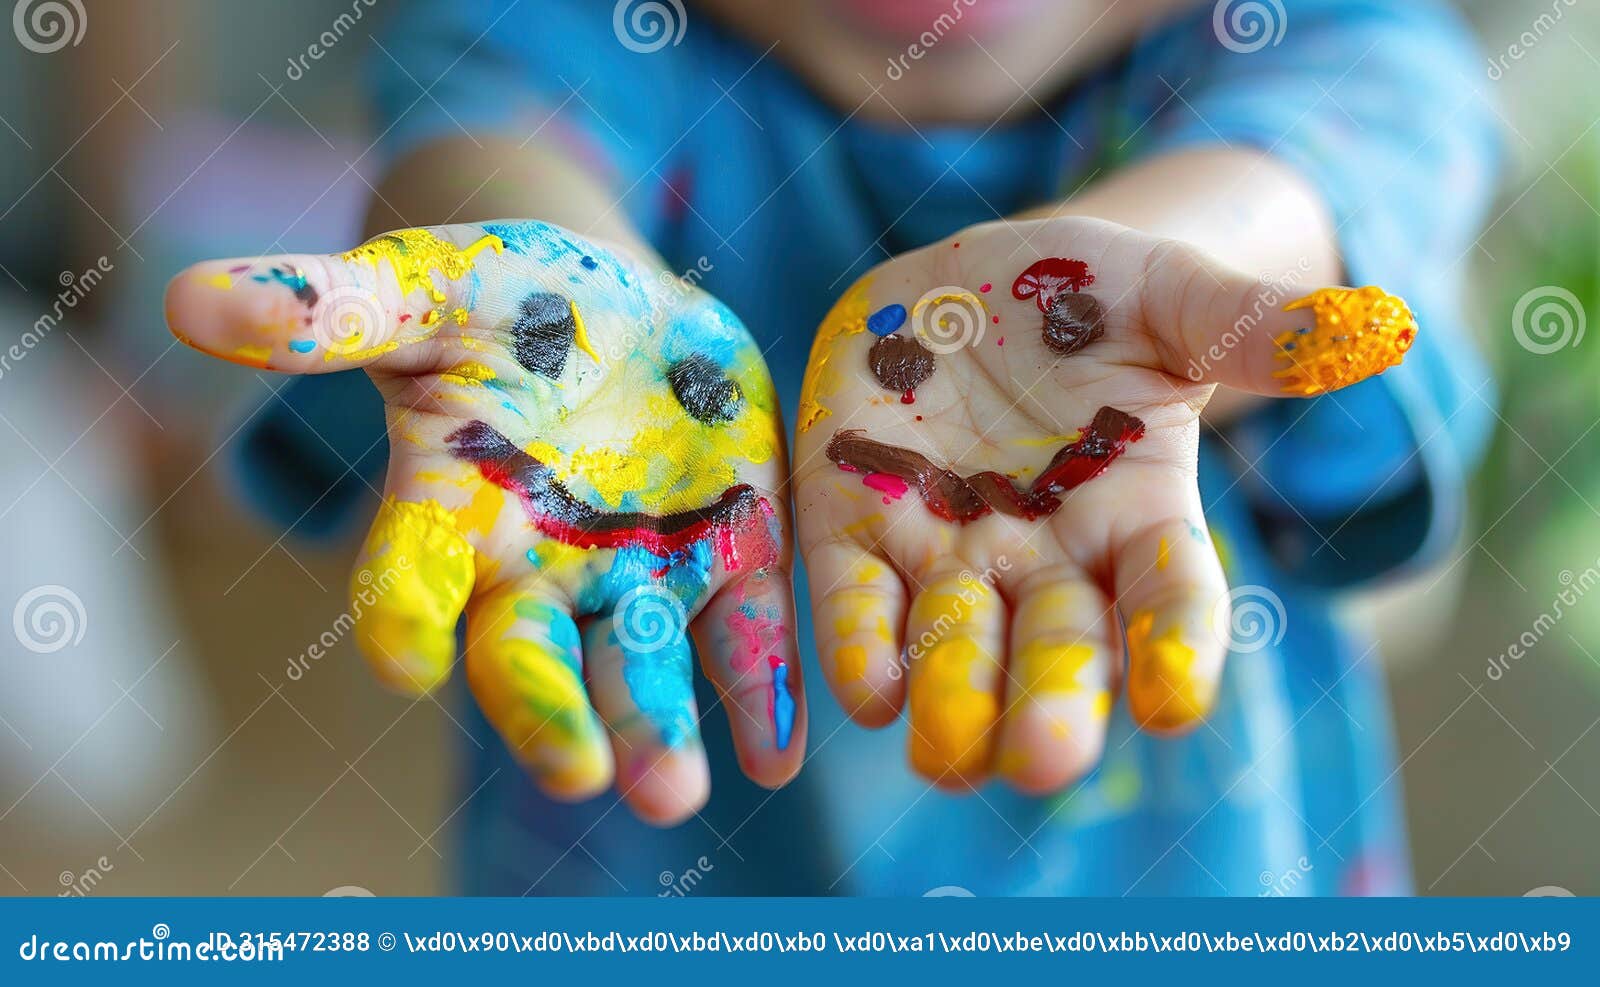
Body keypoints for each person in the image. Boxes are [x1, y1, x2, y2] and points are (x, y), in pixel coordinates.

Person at [164, 0, 1499, 895]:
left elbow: (1297, 181)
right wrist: (548, 301)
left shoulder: (1333, 42)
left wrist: (1139, 295)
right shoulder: (585, 28)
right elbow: (491, 139)